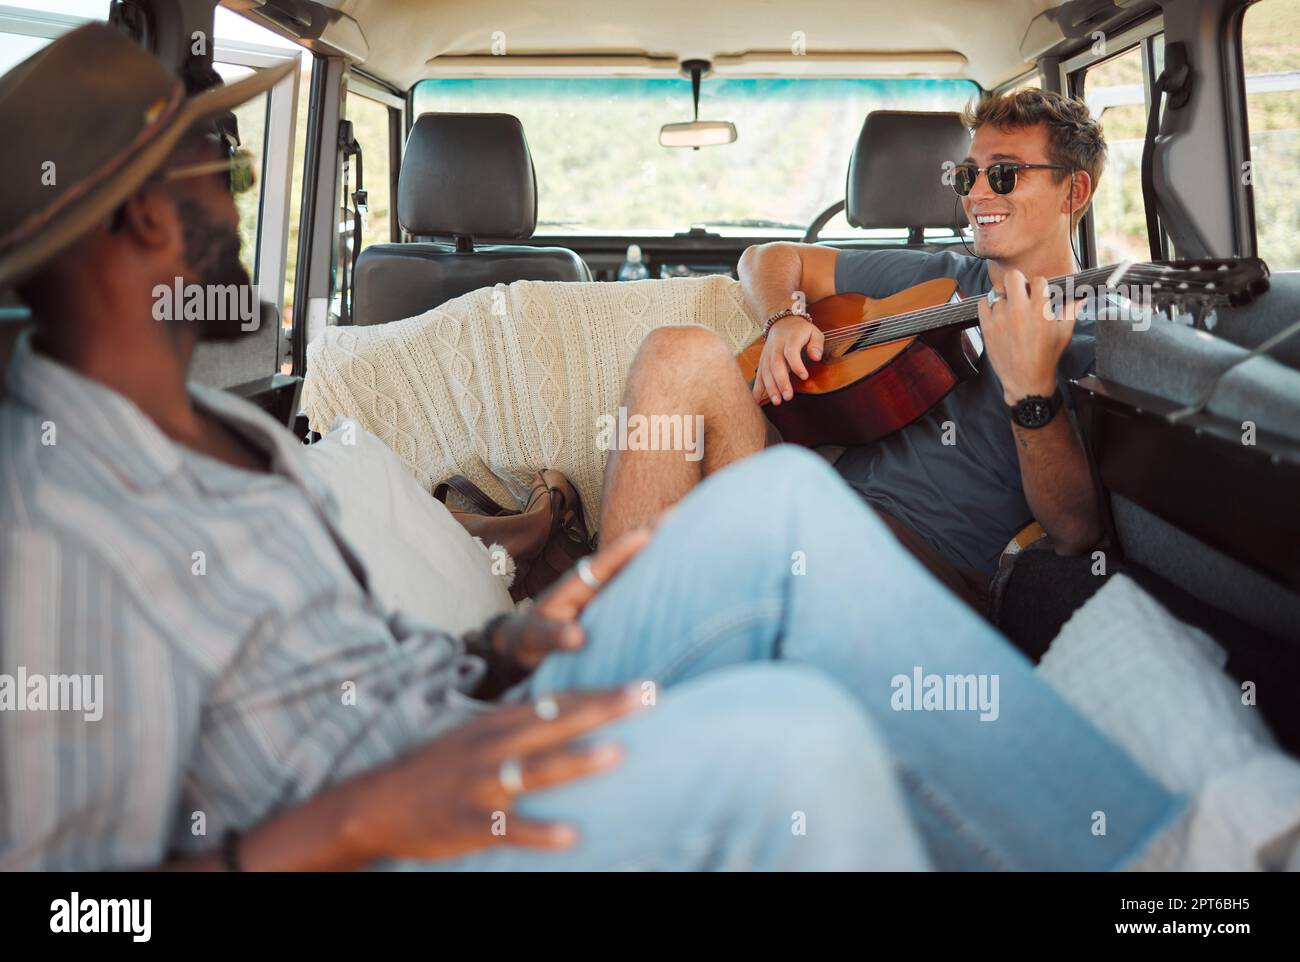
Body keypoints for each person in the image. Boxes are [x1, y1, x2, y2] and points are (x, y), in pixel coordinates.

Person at [0, 25, 1181, 872]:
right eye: (227, 174)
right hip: (397, 818)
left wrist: (501, 646)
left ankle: (1173, 855)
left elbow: (332, 664)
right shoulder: (53, 520)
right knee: (794, 706)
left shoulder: (230, 432)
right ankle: (1171, 856)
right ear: (153, 221)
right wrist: (354, 823)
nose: (241, 208)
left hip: (468, 710)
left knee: (784, 574)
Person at [599, 90, 1106, 614]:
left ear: (1073, 191)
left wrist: (1031, 390)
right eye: (966, 176)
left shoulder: (1101, 338)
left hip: (913, 569)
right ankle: (611, 641)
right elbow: (767, 255)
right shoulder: (938, 276)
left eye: (1003, 174)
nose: (976, 194)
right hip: (813, 506)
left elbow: (1074, 530)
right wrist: (785, 317)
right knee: (675, 350)